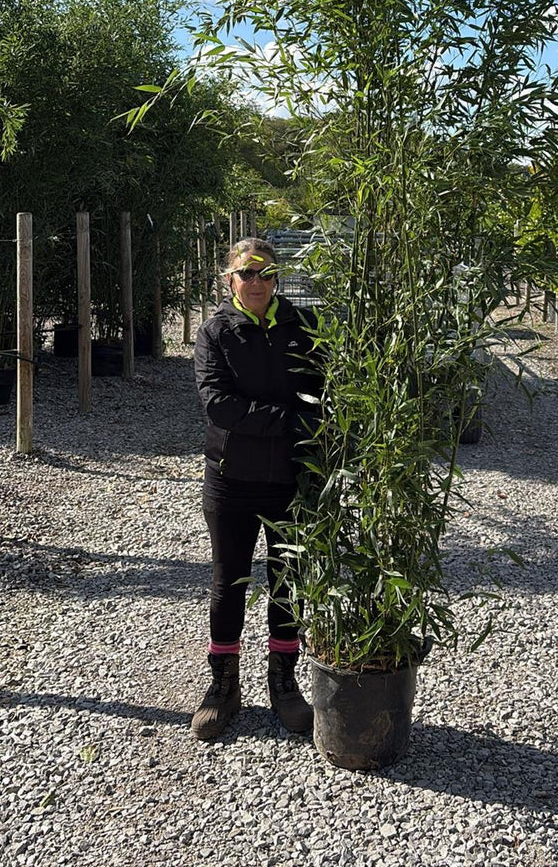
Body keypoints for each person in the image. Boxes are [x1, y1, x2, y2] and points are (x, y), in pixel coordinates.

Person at [191, 236, 322, 741]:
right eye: (247, 274)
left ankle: (284, 685)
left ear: (277, 276)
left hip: (291, 479)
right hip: (232, 480)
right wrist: (293, 421)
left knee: (289, 580)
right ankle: (223, 686)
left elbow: (326, 389)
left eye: (267, 273)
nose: (258, 283)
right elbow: (220, 407)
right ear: (230, 279)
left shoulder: (302, 325)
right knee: (230, 582)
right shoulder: (216, 333)